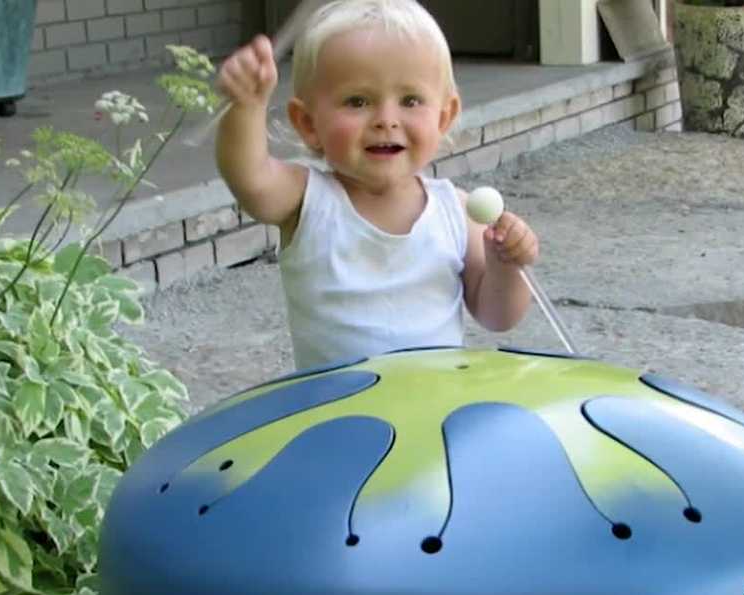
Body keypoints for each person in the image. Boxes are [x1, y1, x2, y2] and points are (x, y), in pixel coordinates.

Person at [214, 0, 539, 370]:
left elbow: (497, 317)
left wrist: (506, 266)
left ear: (444, 116)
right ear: (307, 123)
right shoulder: (307, 201)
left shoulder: (458, 212)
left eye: (410, 100)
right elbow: (249, 177)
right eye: (357, 101)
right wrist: (245, 108)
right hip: (337, 415)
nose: (386, 120)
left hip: (431, 412)